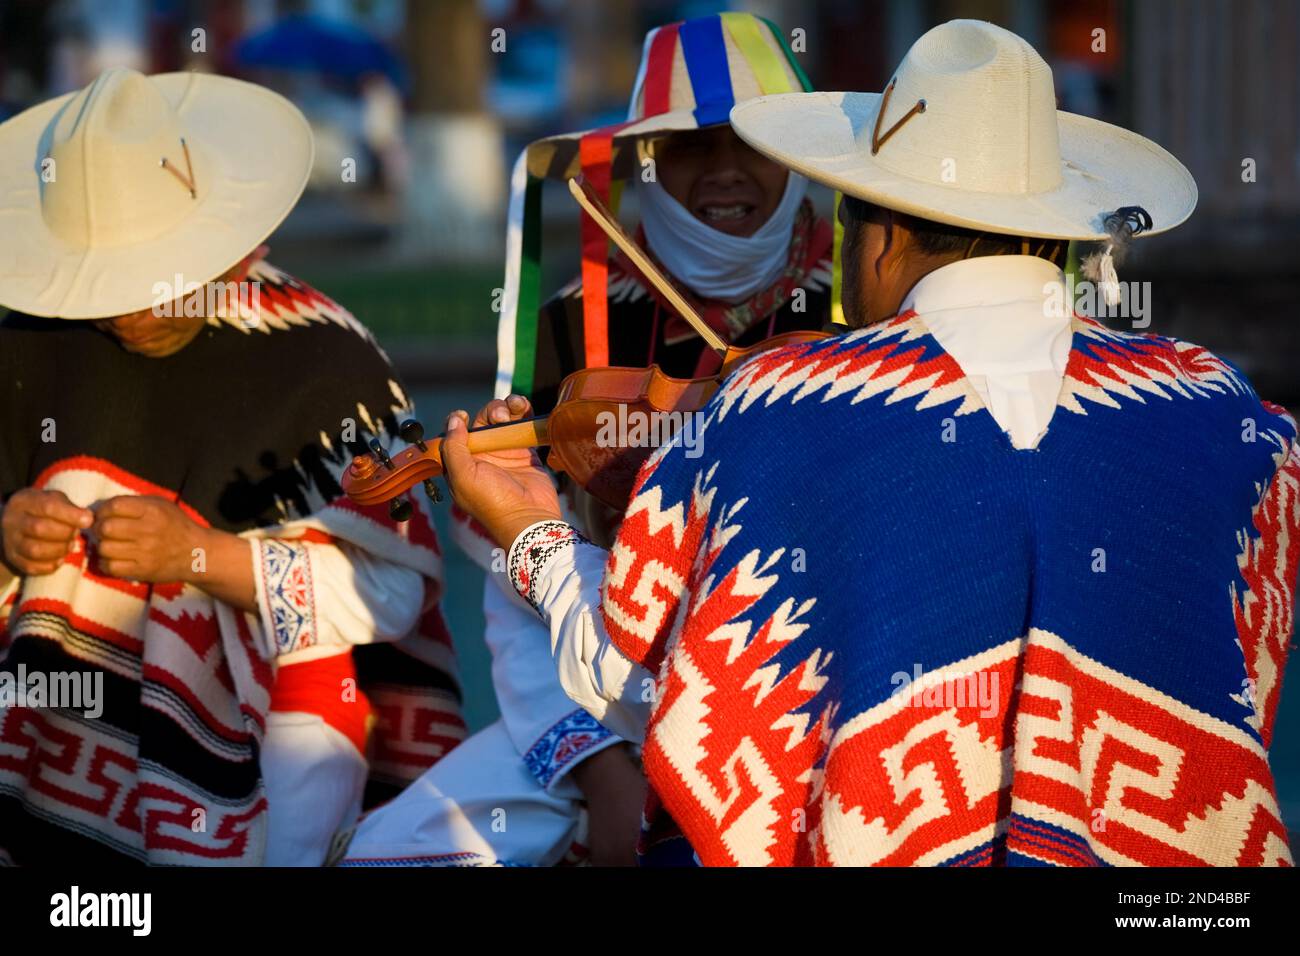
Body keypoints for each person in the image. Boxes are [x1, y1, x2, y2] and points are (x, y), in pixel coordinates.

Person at [437, 19, 1299, 867]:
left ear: (876, 237)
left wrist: (536, 542)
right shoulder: (1220, 407)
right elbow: (1244, 667)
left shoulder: (774, 405)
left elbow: (644, 675)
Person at [339, 12, 833, 867]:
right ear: (645, 160)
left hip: (807, 695)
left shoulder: (855, 311)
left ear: (793, 156)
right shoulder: (576, 317)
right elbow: (515, 567)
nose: (724, 171)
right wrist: (598, 760)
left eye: (751, 142)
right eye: (688, 146)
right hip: (600, 684)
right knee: (386, 854)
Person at [0, 68, 461, 865]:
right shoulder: (24, 342)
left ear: (239, 247)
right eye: (106, 282)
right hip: (42, 712)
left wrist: (200, 559)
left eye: (157, 277)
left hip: (285, 723)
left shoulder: (322, 359)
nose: (130, 309)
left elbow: (391, 593)